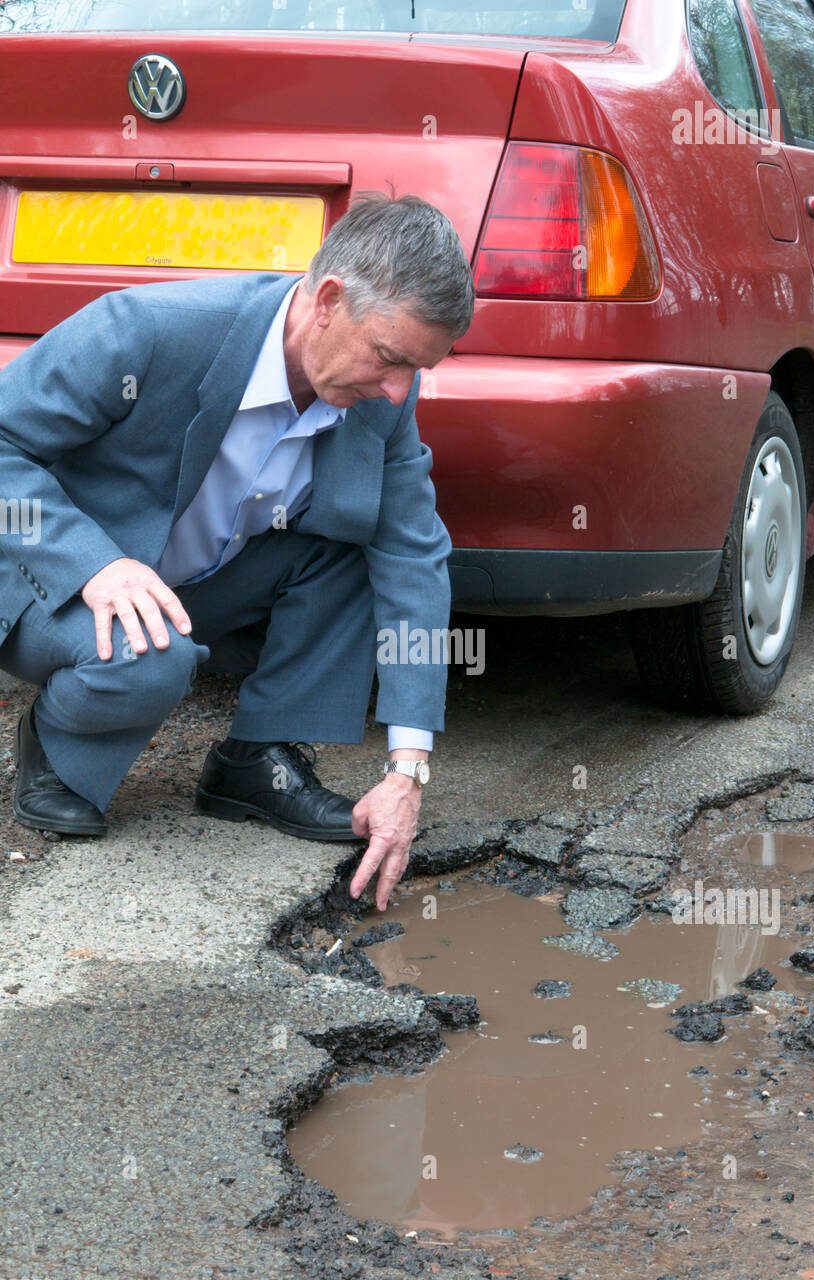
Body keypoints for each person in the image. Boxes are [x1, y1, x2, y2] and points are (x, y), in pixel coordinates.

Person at [0, 193, 475, 908]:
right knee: (148, 655)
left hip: (189, 582)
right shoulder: (149, 330)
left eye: (416, 371)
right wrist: (93, 563)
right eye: (387, 358)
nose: (396, 389)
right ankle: (58, 745)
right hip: (50, 582)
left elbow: (411, 554)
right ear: (327, 299)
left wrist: (408, 768)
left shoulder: (381, 395)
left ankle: (257, 760)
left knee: (356, 540)